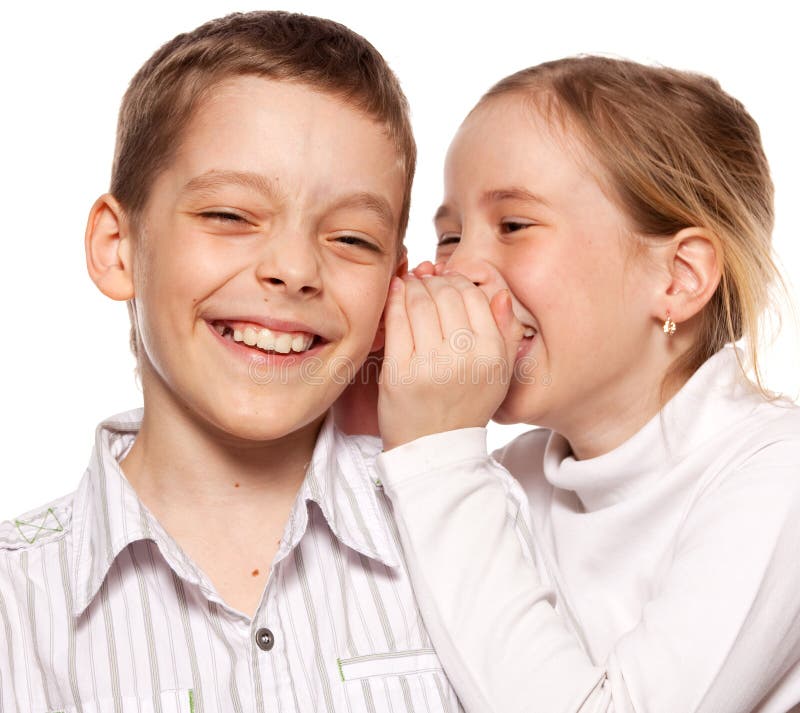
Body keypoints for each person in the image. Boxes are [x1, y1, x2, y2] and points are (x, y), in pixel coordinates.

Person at [0, 12, 466, 713]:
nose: (292, 268)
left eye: (350, 237)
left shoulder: (474, 534)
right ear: (117, 246)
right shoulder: (17, 605)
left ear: (393, 287)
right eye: (228, 215)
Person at [374, 57, 800, 712]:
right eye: (449, 235)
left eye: (513, 226)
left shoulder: (777, 471)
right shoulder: (507, 477)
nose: (459, 269)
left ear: (678, 279)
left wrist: (438, 455)